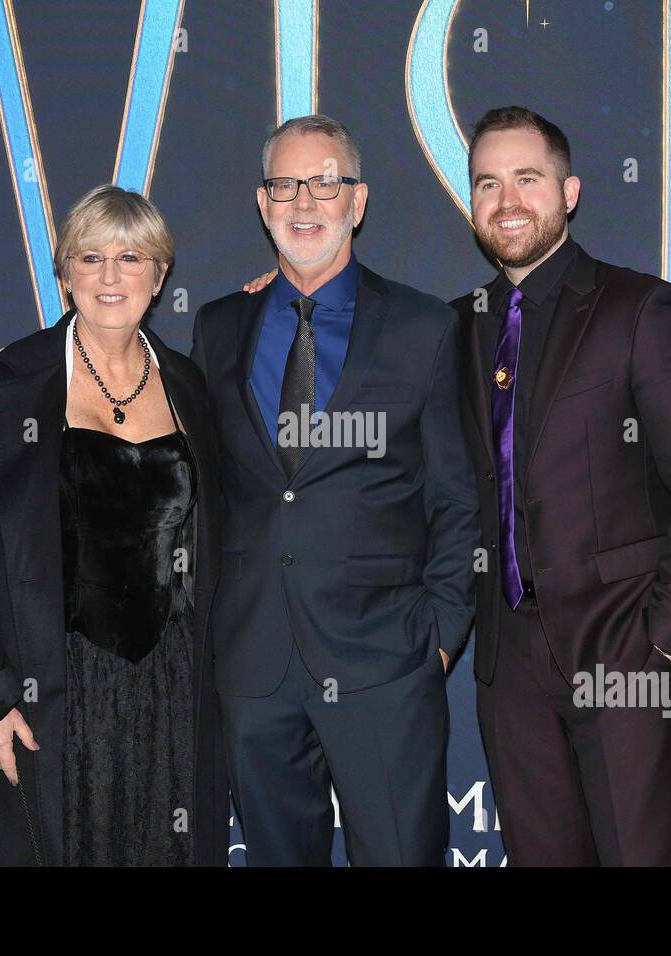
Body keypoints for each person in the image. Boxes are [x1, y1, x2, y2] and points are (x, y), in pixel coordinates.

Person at [450, 106, 671, 865]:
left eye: (527, 178)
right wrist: (287, 295)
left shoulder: (641, 309)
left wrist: (664, 645)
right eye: (488, 183)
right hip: (508, 666)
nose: (507, 200)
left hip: (626, 657)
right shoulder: (454, 327)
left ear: (570, 191)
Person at [191, 114, 480, 866]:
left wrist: (440, 639)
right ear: (262, 204)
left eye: (326, 181)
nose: (305, 200)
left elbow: (457, 497)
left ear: (358, 201)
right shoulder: (218, 327)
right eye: (285, 184)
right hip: (253, 665)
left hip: (385, 663)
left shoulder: (423, 327)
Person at [0, 184, 229, 866]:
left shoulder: (188, 385)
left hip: (173, 689)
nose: (111, 276)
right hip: (54, 688)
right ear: (65, 275)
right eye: (90, 258)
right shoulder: (13, 384)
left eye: (131, 257)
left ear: (159, 274)